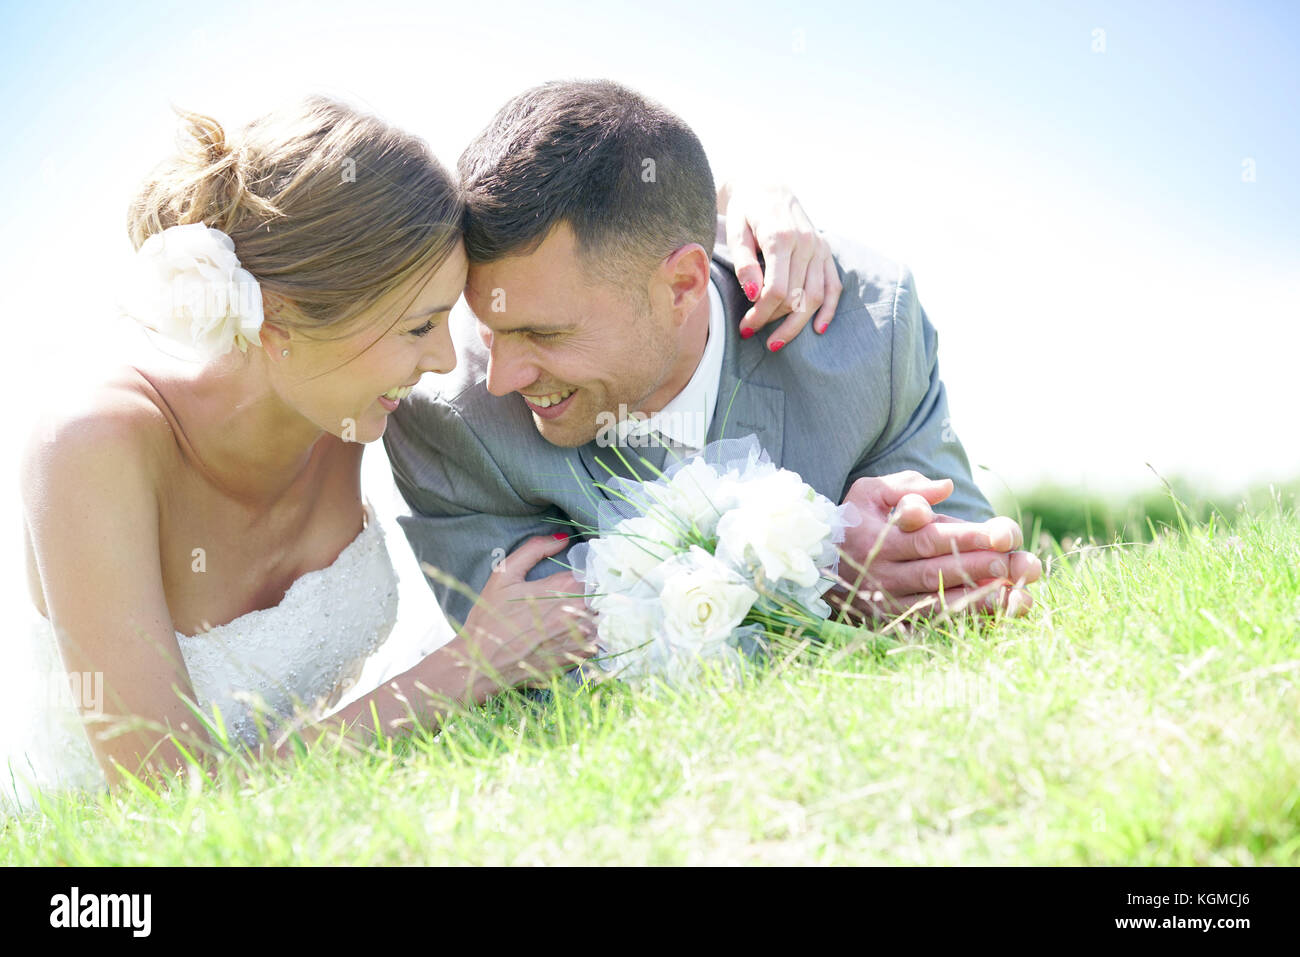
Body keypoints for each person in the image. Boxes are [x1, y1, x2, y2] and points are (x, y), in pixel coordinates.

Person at [7, 95, 841, 810]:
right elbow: (164, 803)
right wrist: (464, 668)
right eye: (418, 327)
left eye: (449, 318)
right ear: (280, 320)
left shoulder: (355, 414)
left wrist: (761, 199)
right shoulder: (90, 446)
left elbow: (593, 193)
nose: (449, 360)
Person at [383, 79, 1043, 635]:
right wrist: (814, 571)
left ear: (682, 286)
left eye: (546, 334)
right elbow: (545, 669)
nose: (503, 377)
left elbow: (968, 581)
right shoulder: (452, 422)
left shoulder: (868, 330)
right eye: (493, 327)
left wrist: (933, 566)